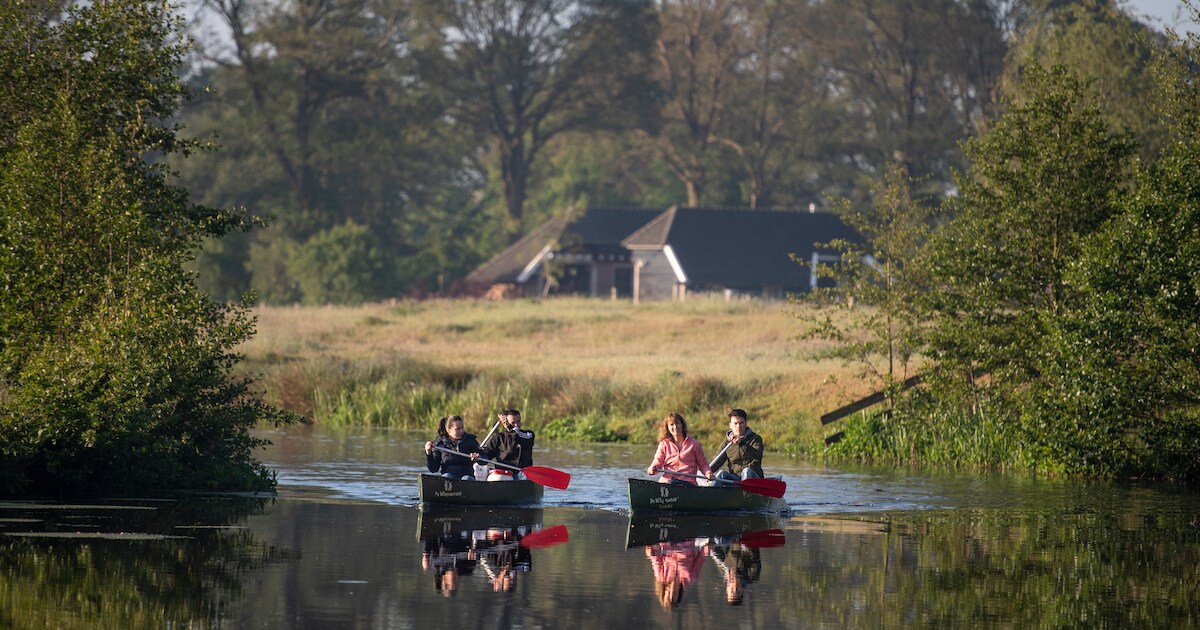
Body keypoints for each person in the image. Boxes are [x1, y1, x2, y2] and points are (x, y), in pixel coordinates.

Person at [646, 412, 714, 485]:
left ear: (682, 425)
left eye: (677, 423)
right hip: (667, 482)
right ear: (667, 427)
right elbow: (657, 461)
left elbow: (703, 464)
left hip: (688, 484)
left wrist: (708, 473)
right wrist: (652, 468)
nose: (675, 427)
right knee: (666, 483)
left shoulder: (694, 444)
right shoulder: (663, 444)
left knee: (672, 483)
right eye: (671, 424)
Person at [645, 539, 709, 609]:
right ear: (679, 594)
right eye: (674, 596)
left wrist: (650, 552)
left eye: (668, 596)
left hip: (668, 540)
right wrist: (707, 549)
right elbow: (701, 557)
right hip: (687, 539)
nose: (672, 593)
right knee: (717, 540)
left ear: (664, 593)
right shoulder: (691, 578)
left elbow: (655, 558)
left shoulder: (661, 576)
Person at [709, 408, 764, 485]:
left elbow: (758, 455)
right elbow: (716, 463)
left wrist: (742, 444)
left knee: (746, 471)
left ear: (746, 423)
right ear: (730, 425)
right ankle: (709, 494)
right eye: (735, 423)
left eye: (741, 423)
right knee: (721, 474)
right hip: (735, 479)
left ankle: (746, 495)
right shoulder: (726, 444)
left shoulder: (755, 439)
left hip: (753, 479)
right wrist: (706, 472)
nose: (738, 426)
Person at [479, 408, 534, 481]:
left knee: (525, 477)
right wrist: (479, 457)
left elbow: (516, 434)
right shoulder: (498, 438)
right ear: (504, 424)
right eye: (513, 423)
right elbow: (487, 455)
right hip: (505, 474)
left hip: (522, 473)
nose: (516, 425)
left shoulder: (528, 435)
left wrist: (510, 426)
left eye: (518, 422)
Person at [424, 415, 481, 479]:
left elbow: (484, 459)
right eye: (457, 429)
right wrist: (428, 453)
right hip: (449, 478)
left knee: (467, 478)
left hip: (467, 476)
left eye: (462, 428)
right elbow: (433, 469)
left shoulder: (470, 440)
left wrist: (478, 457)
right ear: (448, 430)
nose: (461, 431)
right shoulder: (439, 444)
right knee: (447, 477)